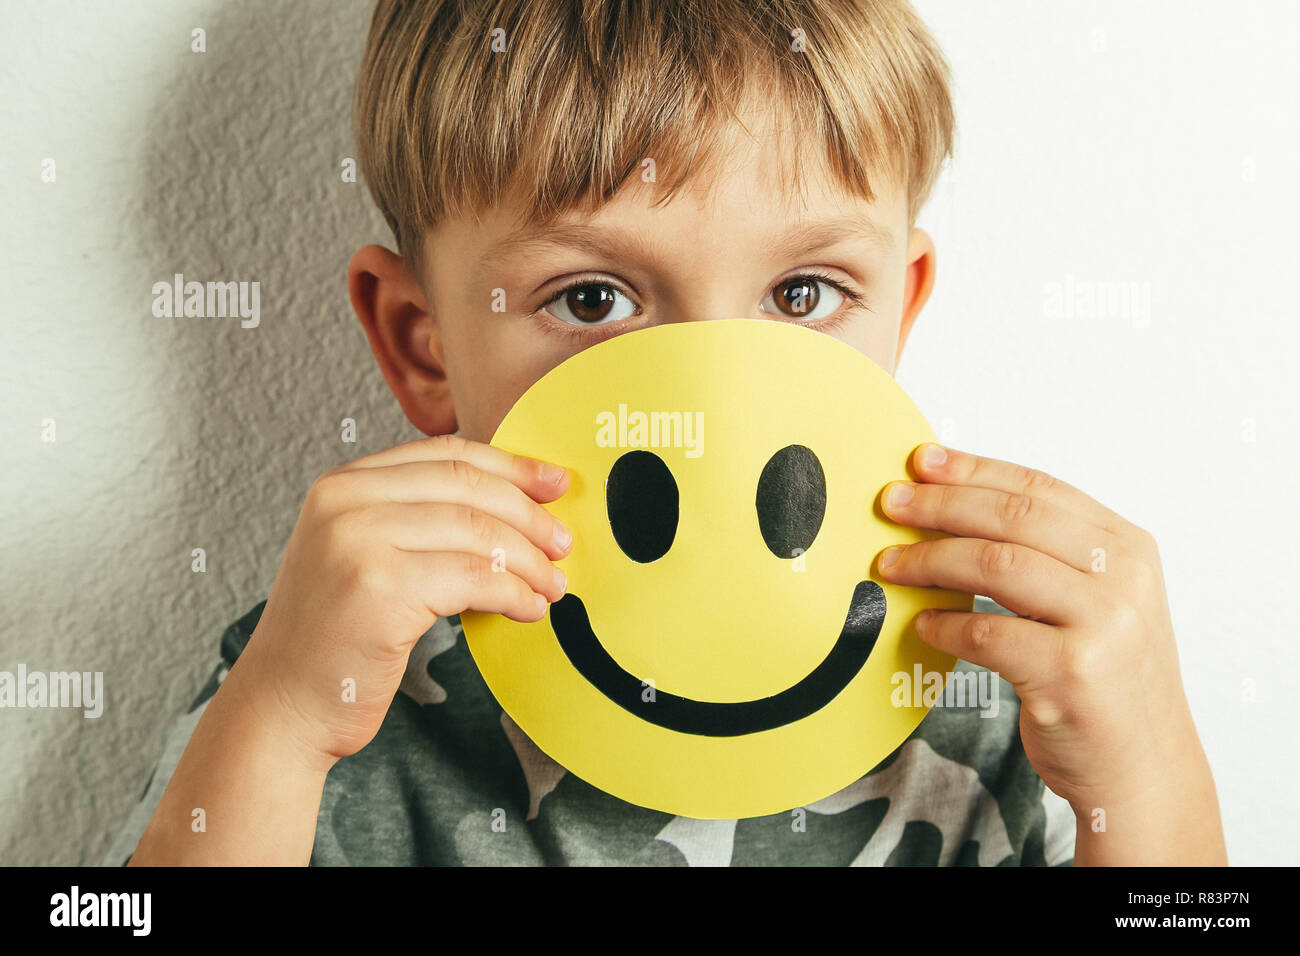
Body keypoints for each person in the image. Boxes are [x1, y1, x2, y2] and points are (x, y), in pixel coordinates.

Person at [106, 0, 1225, 866]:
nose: (704, 404)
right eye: (592, 298)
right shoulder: (333, 663)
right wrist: (281, 716)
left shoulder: (998, 681)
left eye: (802, 293)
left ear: (903, 305)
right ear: (423, 343)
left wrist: (1151, 767)